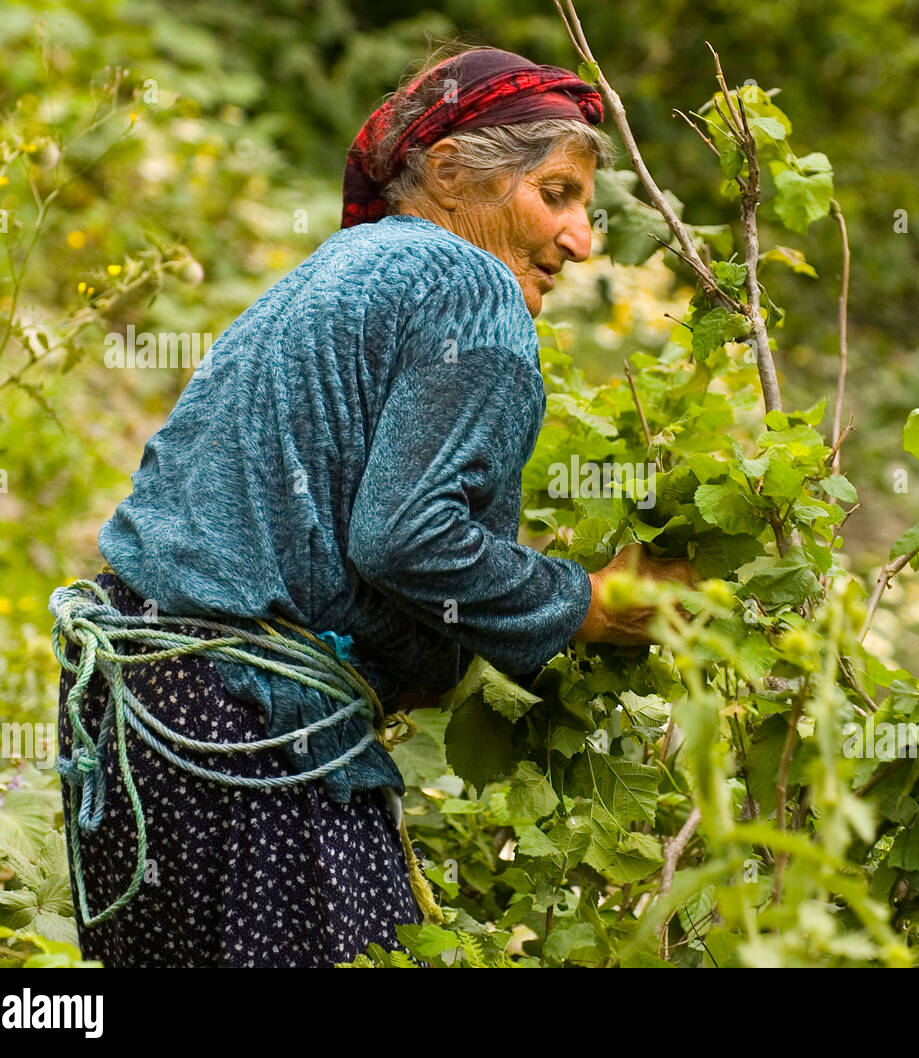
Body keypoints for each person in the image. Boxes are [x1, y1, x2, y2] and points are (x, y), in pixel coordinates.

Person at [49, 44, 698, 968]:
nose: (583, 241)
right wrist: (585, 603)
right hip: (245, 728)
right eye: (556, 195)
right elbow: (410, 536)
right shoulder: (470, 285)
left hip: (133, 713)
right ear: (447, 173)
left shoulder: (341, 270)